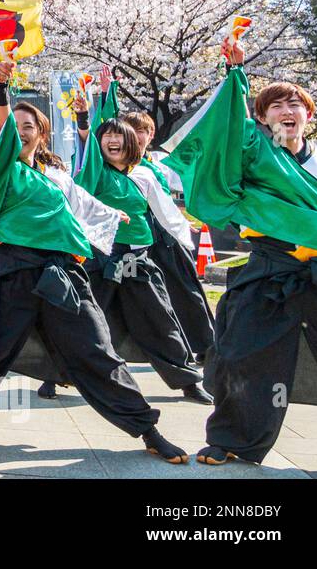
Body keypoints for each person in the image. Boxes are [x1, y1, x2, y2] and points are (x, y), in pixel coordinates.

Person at [0, 58, 188, 463]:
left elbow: (84, 202)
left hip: (64, 274)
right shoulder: (1, 169)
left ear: (41, 136)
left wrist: (115, 216)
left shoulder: (57, 177)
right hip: (13, 271)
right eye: (15, 126)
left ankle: (146, 428)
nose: (21, 131)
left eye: (30, 127)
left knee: (98, 351)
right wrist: (1, 92)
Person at [162, 36, 317, 465]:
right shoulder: (252, 158)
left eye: (296, 104)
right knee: (239, 354)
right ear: (261, 118)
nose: (287, 111)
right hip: (271, 266)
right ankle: (233, 439)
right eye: (275, 106)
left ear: (309, 115)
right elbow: (222, 139)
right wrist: (236, 75)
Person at [69, 68, 211, 403]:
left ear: (132, 142)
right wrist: (91, 108)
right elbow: (97, 133)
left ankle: (188, 381)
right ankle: (59, 375)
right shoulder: (93, 171)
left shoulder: (145, 174)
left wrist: (184, 234)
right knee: (82, 319)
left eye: (120, 137)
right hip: (98, 257)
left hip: (137, 258)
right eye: (107, 138)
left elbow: (165, 213)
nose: (113, 141)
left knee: (160, 317)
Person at [122, 110, 214, 361]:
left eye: (143, 130)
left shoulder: (160, 162)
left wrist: (181, 221)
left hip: (165, 234)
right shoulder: (116, 162)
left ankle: (206, 345)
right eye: (132, 130)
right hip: (132, 236)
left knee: (186, 289)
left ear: (151, 135)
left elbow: (185, 184)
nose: (138, 136)